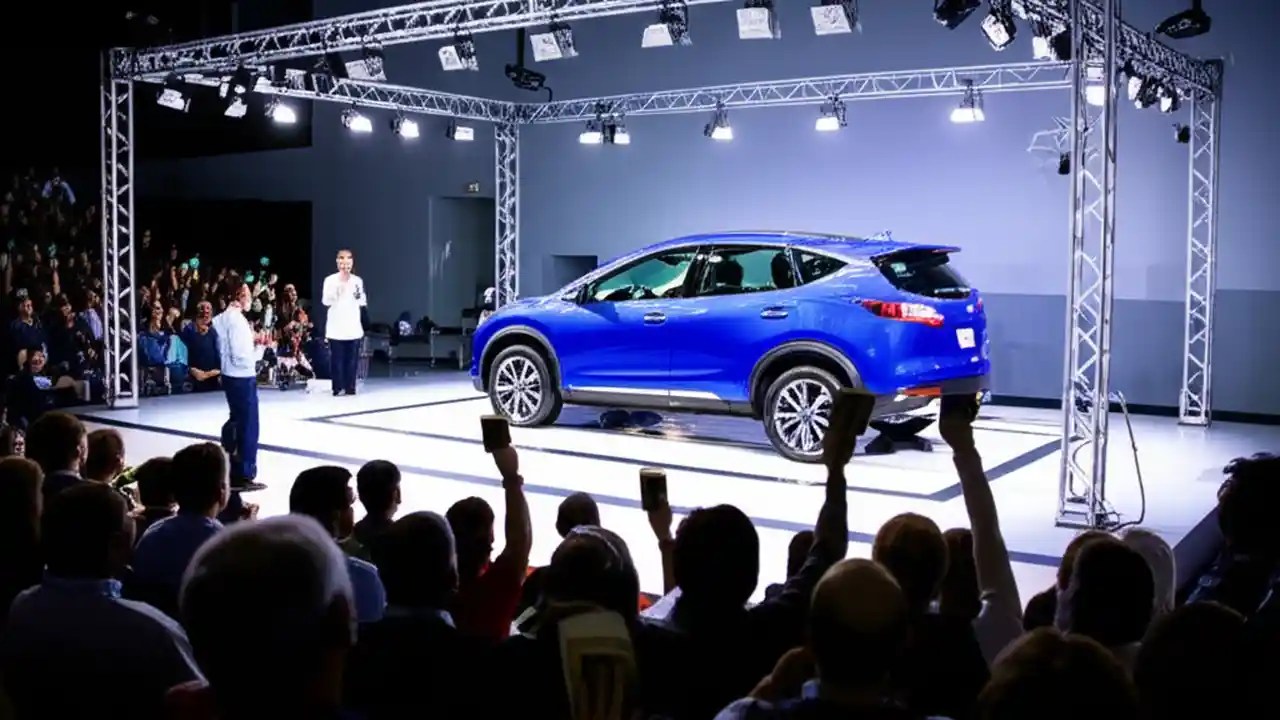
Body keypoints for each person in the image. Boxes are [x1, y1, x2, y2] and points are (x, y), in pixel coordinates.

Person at [212, 279, 263, 492]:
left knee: (237, 420)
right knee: (248, 425)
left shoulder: (224, 319)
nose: (250, 297)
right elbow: (241, 355)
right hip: (242, 375)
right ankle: (243, 472)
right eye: (247, 293)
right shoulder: (237, 320)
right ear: (238, 297)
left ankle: (232, 464)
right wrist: (259, 350)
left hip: (231, 375)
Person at [321, 249, 366, 397]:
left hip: (352, 326)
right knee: (337, 360)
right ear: (337, 262)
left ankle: (350, 387)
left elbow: (362, 301)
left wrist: (358, 295)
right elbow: (325, 301)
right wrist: (336, 292)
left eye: (348, 260)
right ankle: (337, 387)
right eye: (342, 260)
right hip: (336, 326)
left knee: (352, 360)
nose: (345, 263)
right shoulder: (330, 280)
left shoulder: (357, 281)